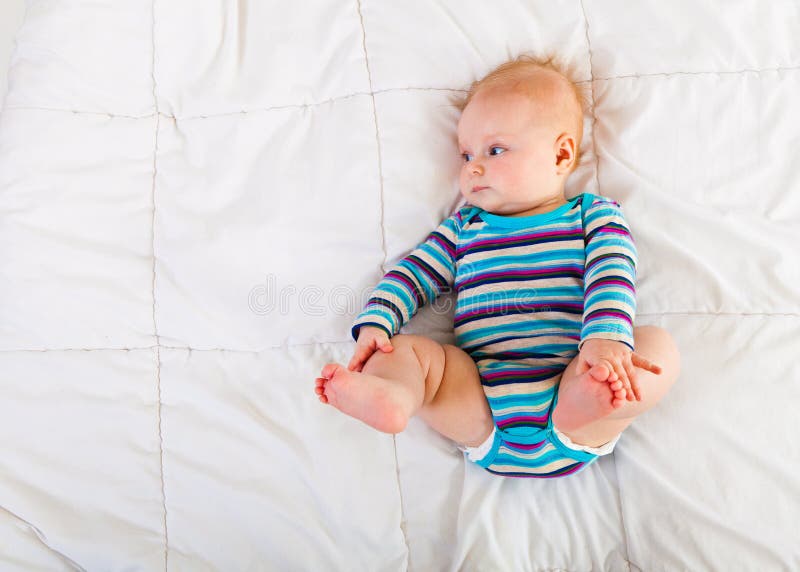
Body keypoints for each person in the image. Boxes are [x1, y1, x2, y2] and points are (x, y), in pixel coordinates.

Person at [314, 55, 680, 478]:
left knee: (658, 347)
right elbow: (412, 275)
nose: (473, 166)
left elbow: (612, 271)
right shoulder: (463, 228)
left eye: (496, 149)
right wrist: (377, 325)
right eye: (466, 153)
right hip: (480, 404)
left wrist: (603, 339)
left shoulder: (591, 216)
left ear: (561, 155)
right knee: (416, 356)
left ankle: (595, 399)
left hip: (573, 378)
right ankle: (396, 395)